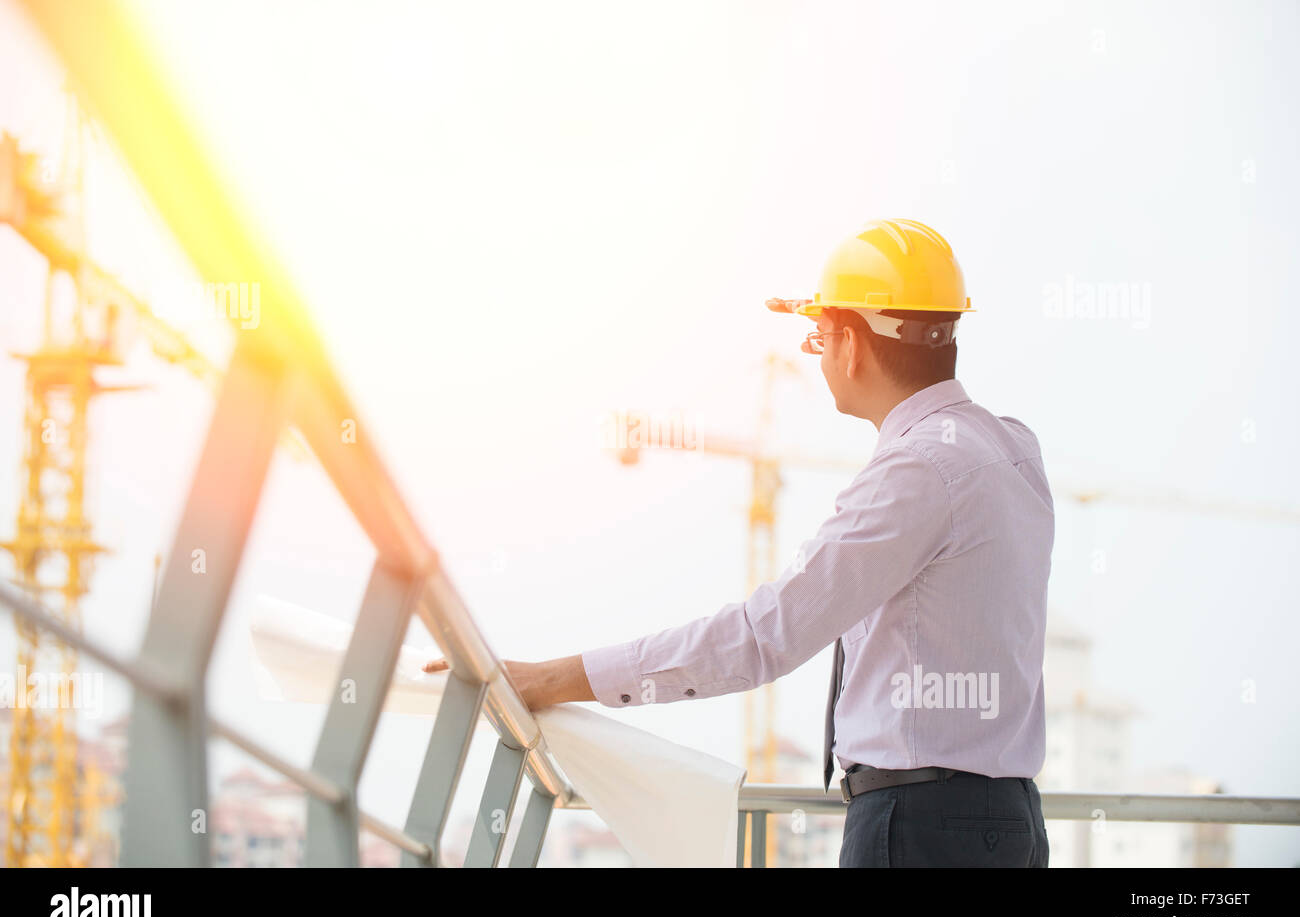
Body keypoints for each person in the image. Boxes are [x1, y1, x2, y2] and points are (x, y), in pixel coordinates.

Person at [425, 219, 1054, 867]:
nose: (818, 352)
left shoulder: (915, 472)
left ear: (853, 346)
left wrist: (551, 678)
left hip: (920, 829)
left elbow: (761, 637)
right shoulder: (1014, 448)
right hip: (1012, 821)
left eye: (819, 335)